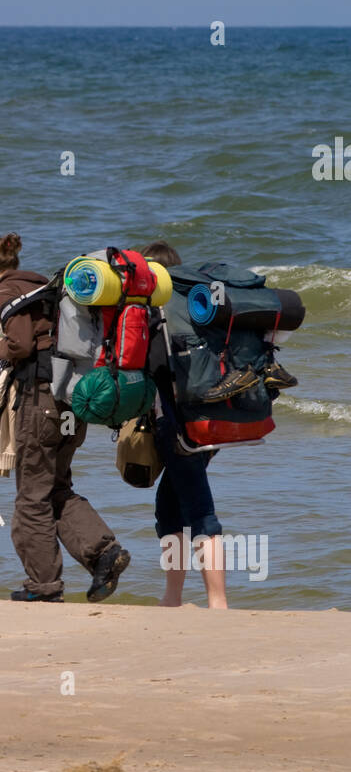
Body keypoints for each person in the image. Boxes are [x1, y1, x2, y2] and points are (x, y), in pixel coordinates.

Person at [0, 232, 130, 603]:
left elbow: (22, 344)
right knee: (55, 487)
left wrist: (0, 348)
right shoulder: (42, 285)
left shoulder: (5, 291)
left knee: (31, 498)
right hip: (71, 398)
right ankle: (104, 554)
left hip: (39, 401)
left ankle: (42, 588)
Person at [143, 240, 227, 609]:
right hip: (211, 422)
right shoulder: (194, 313)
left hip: (177, 427)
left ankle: (218, 602)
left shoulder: (157, 320)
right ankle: (172, 597)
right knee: (169, 510)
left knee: (200, 513)